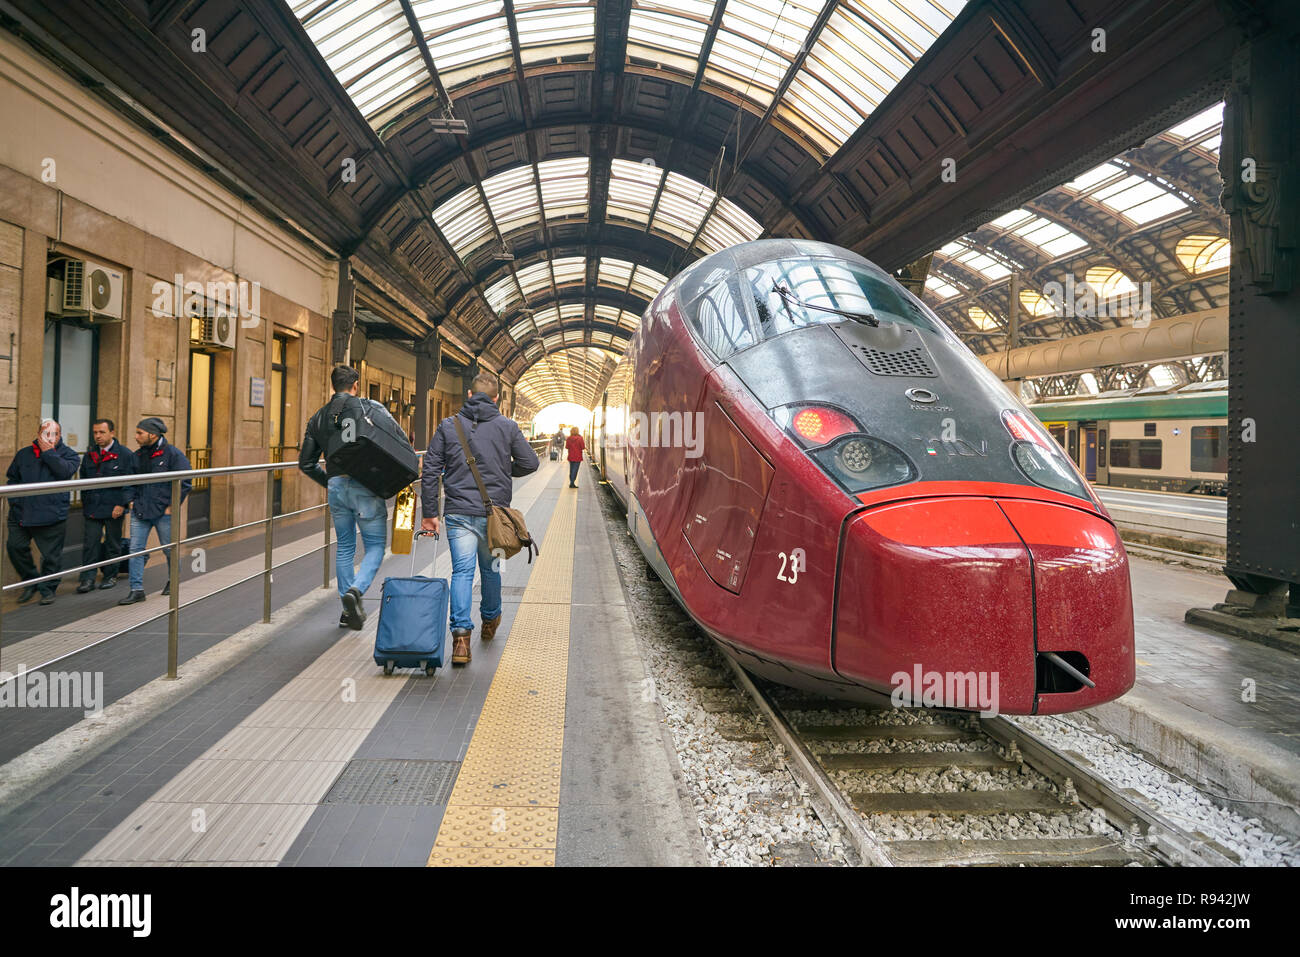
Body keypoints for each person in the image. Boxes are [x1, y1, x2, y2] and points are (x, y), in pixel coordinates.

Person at [421, 372, 539, 665]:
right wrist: (503, 471)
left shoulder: (449, 426)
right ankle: (490, 621)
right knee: (492, 568)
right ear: (497, 398)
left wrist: (429, 514)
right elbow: (530, 462)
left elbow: (430, 470)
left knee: (461, 572)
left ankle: (461, 640)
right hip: (494, 515)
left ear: (470, 395)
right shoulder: (508, 427)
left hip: (458, 513)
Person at [299, 365, 409, 630]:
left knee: (345, 548)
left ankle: (347, 612)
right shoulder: (369, 407)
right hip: (366, 485)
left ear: (333, 386)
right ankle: (356, 592)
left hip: (337, 487)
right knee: (374, 547)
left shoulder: (317, 418)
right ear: (355, 385)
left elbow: (306, 464)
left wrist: (332, 482)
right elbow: (399, 437)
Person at [5, 419, 81, 604]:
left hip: (52, 514)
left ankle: (48, 589)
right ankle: (30, 581)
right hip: (21, 513)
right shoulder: (24, 454)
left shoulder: (69, 455)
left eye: (54, 434)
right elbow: (12, 479)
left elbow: (64, 472)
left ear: (60, 436)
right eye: (46, 434)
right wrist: (16, 501)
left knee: (51, 557)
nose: (50, 438)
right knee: (14, 547)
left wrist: (49, 453)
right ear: (38, 435)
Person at [117, 417, 192, 605]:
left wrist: (171, 506)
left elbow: (185, 481)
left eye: (140, 433)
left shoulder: (173, 454)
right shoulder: (137, 456)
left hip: (164, 512)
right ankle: (136, 590)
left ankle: (173, 582)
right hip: (140, 511)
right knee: (135, 550)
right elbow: (128, 481)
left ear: (152, 434)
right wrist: (131, 502)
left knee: (169, 549)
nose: (136, 436)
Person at [77, 418, 136, 592]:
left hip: (114, 508)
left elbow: (129, 482)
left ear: (112, 433)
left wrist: (122, 504)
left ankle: (110, 576)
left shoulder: (125, 454)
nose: (98, 436)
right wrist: (85, 503)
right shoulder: (90, 454)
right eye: (95, 432)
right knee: (90, 544)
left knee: (113, 544)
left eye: (102, 432)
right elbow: (84, 481)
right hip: (93, 508)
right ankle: (87, 579)